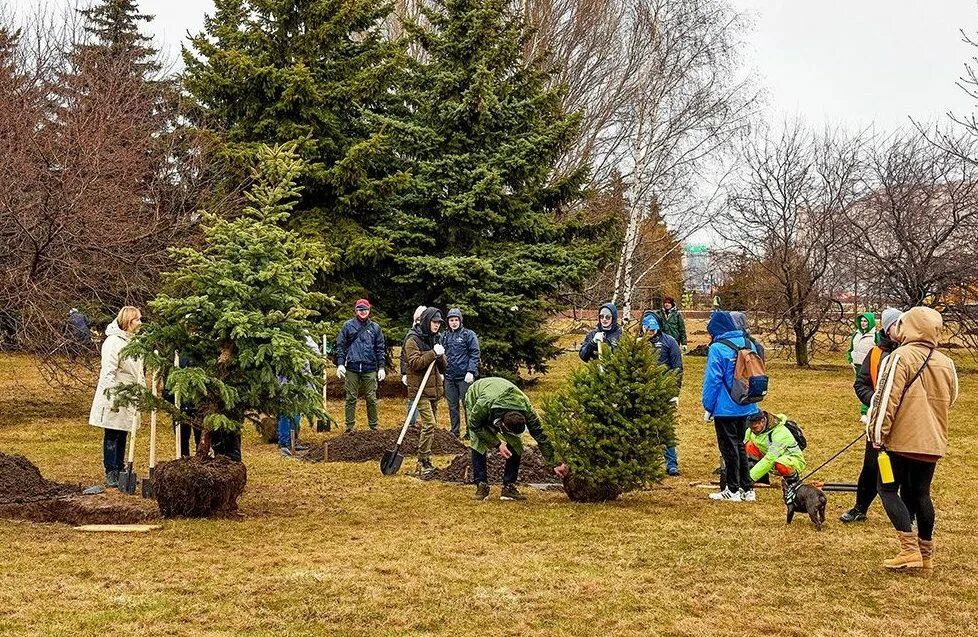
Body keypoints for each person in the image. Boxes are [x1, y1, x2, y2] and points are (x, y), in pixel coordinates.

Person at [868, 306, 958, 570]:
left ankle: (908, 550)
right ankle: (926, 555)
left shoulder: (900, 357)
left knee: (886, 489)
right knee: (921, 494)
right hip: (933, 440)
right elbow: (951, 399)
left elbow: (886, 399)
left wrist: (876, 433)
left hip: (901, 439)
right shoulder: (946, 362)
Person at [840, 307, 902, 523]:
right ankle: (860, 508)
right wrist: (875, 401)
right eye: (895, 324)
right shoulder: (875, 353)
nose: (900, 328)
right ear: (887, 328)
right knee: (870, 466)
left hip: (905, 422)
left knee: (904, 469)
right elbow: (861, 383)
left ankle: (908, 512)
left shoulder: (910, 352)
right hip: (879, 421)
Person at [464, 377, 569, 500]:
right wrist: (497, 444)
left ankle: (509, 487)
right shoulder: (485, 403)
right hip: (477, 395)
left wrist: (554, 463)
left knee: (516, 444)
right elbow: (474, 424)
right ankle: (481, 485)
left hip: (502, 400)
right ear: (502, 424)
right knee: (478, 442)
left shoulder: (527, 409)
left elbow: (541, 436)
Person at [702, 310, 762, 502]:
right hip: (747, 404)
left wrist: (708, 407)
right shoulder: (748, 343)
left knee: (729, 449)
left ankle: (732, 490)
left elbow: (713, 380)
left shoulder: (717, 348)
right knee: (741, 446)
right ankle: (747, 489)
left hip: (725, 407)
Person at [88, 306, 145, 488]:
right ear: (128, 322)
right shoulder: (113, 342)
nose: (140, 323)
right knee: (112, 433)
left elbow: (138, 372)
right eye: (137, 320)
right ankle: (111, 470)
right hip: (115, 394)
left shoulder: (133, 343)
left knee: (123, 432)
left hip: (129, 395)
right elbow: (108, 372)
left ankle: (121, 469)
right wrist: (112, 396)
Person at [404, 307, 448, 478]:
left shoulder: (434, 339)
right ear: (426, 321)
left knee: (432, 426)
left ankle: (426, 458)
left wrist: (441, 355)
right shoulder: (412, 340)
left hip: (434, 389)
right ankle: (423, 459)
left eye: (439, 323)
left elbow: (443, 366)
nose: (437, 326)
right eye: (434, 322)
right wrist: (432, 353)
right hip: (419, 389)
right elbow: (415, 363)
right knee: (429, 424)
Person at [641, 311, 683, 476]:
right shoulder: (638, 343)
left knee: (666, 428)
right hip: (643, 393)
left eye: (653, 329)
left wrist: (675, 392)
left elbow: (677, 368)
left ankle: (671, 463)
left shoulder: (669, 342)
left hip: (664, 392)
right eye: (647, 329)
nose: (650, 332)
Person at [335, 299, 386, 432]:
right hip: (352, 367)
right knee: (351, 397)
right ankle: (349, 426)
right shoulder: (347, 326)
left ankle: (374, 426)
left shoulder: (375, 328)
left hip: (369, 368)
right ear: (356, 311)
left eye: (365, 309)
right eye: (360, 309)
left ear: (369, 310)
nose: (363, 312)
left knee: (371, 398)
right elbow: (341, 346)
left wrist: (381, 367)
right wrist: (340, 364)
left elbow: (380, 348)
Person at [443, 308, 481, 438]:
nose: (454, 322)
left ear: (460, 320)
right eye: (451, 320)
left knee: (468, 405)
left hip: (465, 377)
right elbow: (441, 355)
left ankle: (471, 432)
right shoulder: (445, 336)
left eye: (456, 320)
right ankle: (455, 431)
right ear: (448, 322)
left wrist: (471, 371)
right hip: (449, 377)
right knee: (452, 406)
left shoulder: (468, 335)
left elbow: (475, 353)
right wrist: (442, 371)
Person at [743, 411, 806, 484]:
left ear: (762, 421)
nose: (752, 431)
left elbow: (770, 459)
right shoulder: (751, 429)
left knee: (781, 463)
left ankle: (793, 485)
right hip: (769, 459)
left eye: (754, 428)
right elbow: (741, 447)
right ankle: (761, 481)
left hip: (791, 461)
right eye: (750, 428)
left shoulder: (780, 433)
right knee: (749, 445)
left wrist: (750, 477)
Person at [847, 311, 878, 414]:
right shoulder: (856, 334)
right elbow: (851, 349)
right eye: (861, 321)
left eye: (865, 321)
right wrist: (850, 359)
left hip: (869, 366)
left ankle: (865, 411)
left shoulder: (875, 336)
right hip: (857, 365)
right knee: (860, 388)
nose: (863, 323)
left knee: (868, 387)